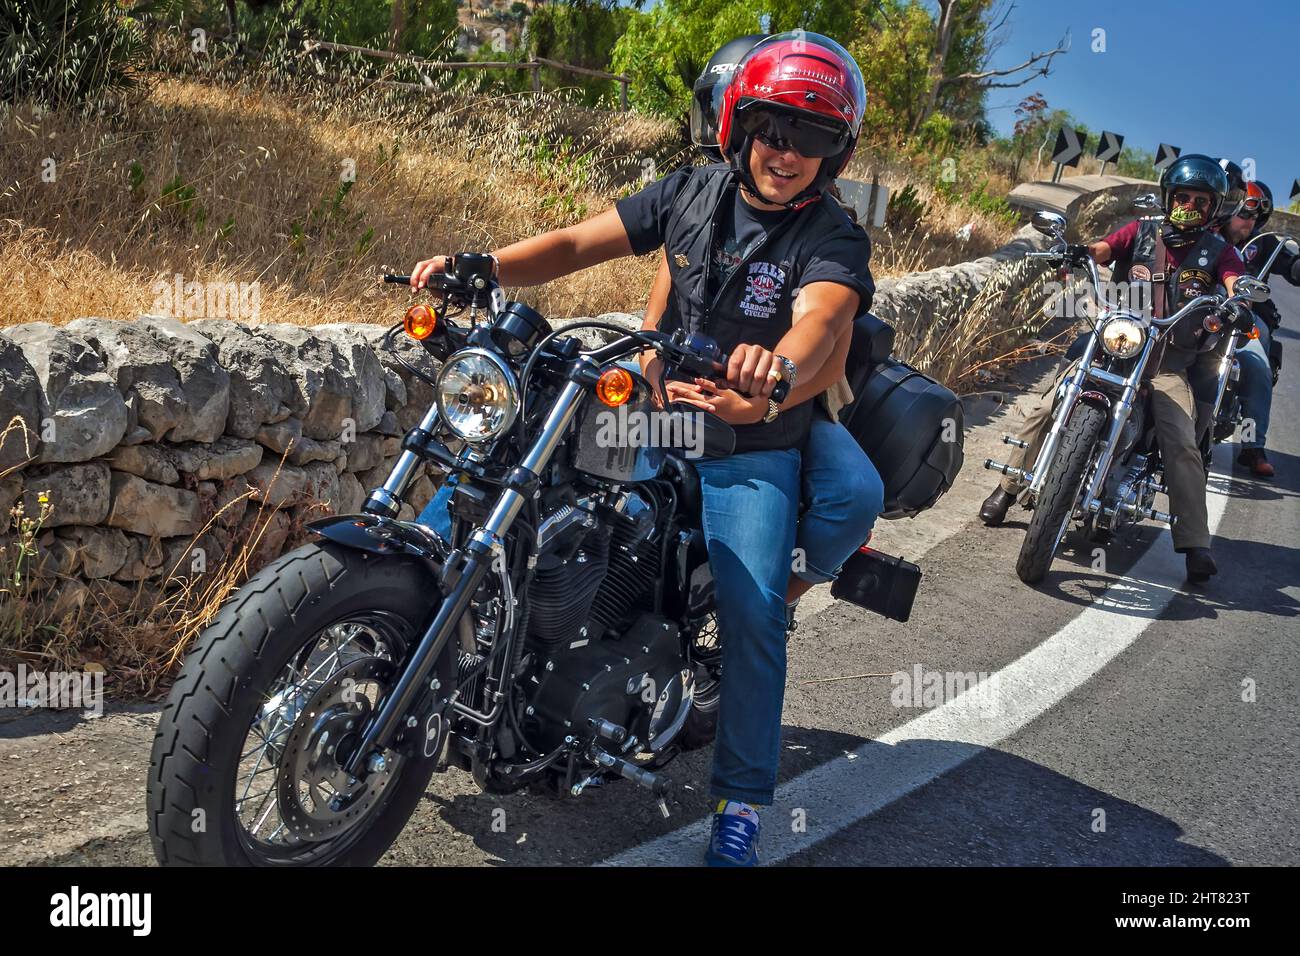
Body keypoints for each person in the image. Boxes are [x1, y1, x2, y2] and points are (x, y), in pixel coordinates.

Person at [411, 32, 878, 866]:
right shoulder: (691, 192)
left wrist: (774, 368)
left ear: (834, 153)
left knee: (752, 611)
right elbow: (576, 243)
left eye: (811, 139)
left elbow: (821, 321)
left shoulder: (835, 238)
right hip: (658, 413)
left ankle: (740, 804)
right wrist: (483, 264)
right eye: (774, 129)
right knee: (514, 467)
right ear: (741, 124)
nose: (787, 152)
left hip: (747, 440)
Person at [978, 154, 1245, 583]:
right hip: (1116, 342)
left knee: (1181, 441)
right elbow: (1101, 249)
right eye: (1183, 196)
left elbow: (1236, 284)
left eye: (1200, 200)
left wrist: (1237, 304)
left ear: (1213, 208)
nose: (1190, 206)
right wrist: (1076, 252)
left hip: (1167, 362)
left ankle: (1195, 542)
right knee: (1049, 403)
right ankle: (1007, 487)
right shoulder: (1141, 232)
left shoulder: (1220, 252)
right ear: (1168, 196)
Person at [1219, 180, 1300, 477]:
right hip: (1200, 313)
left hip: (1246, 322)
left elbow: (1291, 265)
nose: (1249, 221)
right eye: (1244, 213)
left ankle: (1253, 446)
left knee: (1257, 366)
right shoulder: (1204, 235)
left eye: (1255, 217)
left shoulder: (1261, 243)